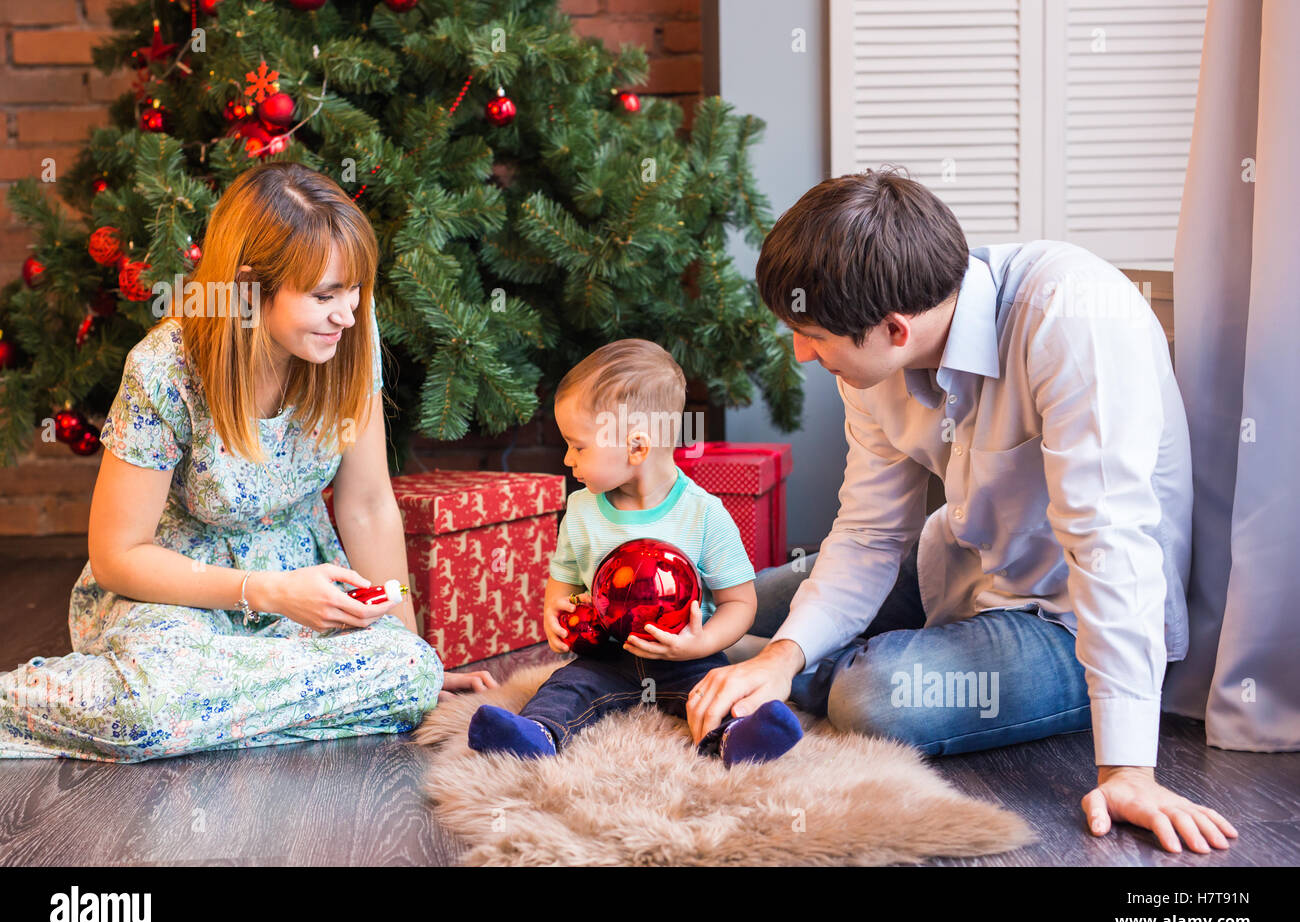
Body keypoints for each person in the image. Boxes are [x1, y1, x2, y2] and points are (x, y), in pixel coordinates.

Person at [685, 167, 1238, 854]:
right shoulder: (874, 357)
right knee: (727, 600)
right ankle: (774, 665)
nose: (801, 352)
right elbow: (867, 535)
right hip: (958, 561)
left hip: (1071, 619)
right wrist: (786, 650)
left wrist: (1128, 769)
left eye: (814, 336)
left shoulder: (1072, 317)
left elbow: (1109, 546)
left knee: (873, 698)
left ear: (893, 328)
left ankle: (800, 673)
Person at [0, 161, 495, 762]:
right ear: (249, 289)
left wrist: (413, 658)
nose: (348, 312)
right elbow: (117, 556)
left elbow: (366, 507)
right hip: (176, 597)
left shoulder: (351, 342)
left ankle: (209, 714)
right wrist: (265, 592)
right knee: (147, 711)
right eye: (324, 295)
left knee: (410, 671)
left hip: (307, 595)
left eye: (356, 288)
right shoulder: (165, 368)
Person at [467, 339, 802, 767]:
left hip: (684, 657)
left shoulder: (703, 513)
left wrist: (700, 645)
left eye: (578, 446)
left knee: (712, 693)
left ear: (637, 447)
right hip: (605, 657)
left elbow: (741, 603)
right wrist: (557, 613)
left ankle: (739, 736)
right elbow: (564, 578)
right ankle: (536, 733)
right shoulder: (583, 509)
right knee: (564, 689)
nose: (568, 459)